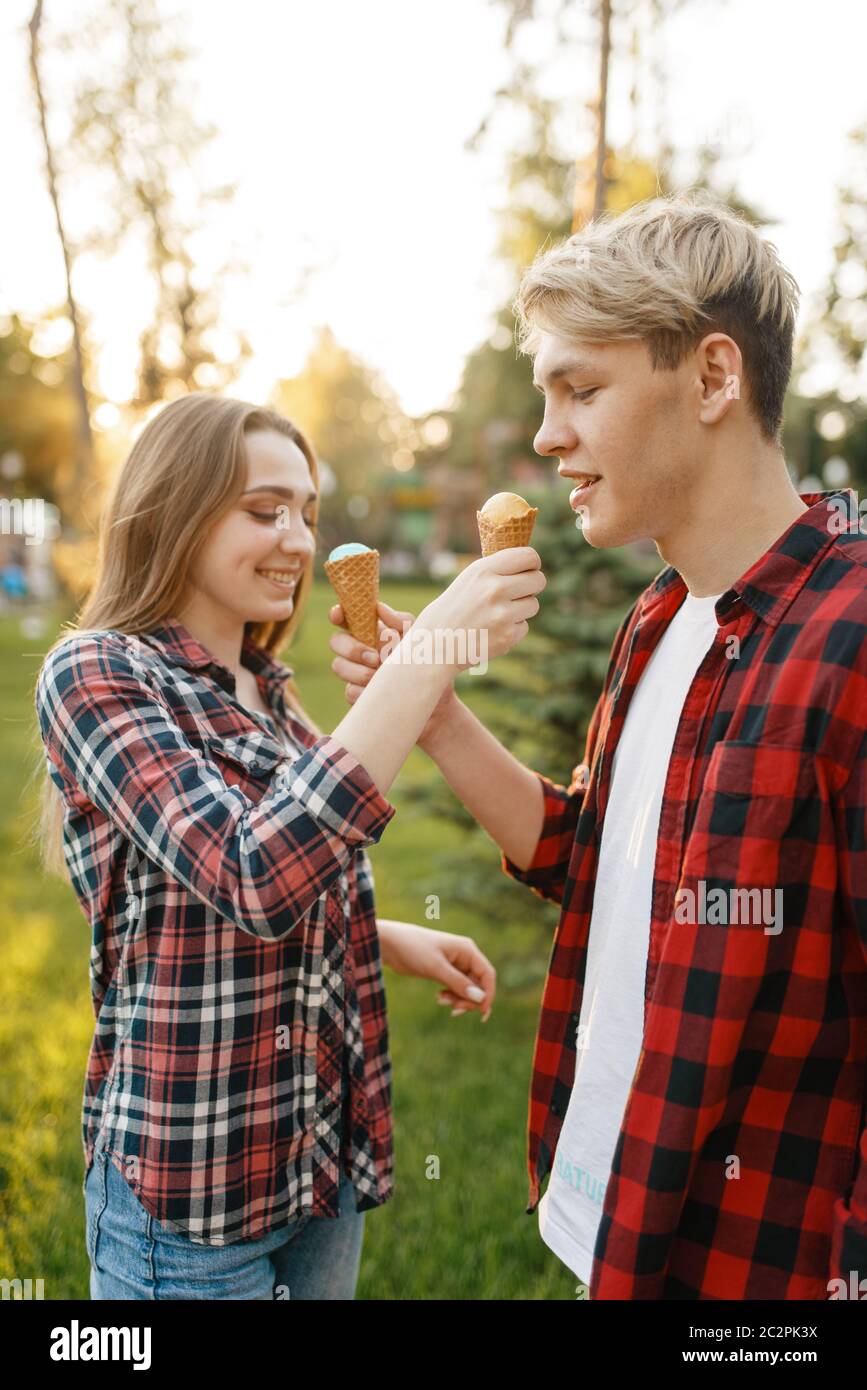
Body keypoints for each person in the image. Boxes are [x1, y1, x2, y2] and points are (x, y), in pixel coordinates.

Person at [329, 192, 867, 1301]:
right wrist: (432, 712)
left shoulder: (853, 636)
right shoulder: (662, 617)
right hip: (619, 1215)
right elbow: (588, 856)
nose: (545, 434)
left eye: (582, 388)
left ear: (715, 378)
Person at [32, 392, 546, 1300]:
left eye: (306, 514)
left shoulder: (267, 687)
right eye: (264, 511)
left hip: (314, 1168)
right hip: (189, 1198)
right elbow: (250, 871)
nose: (300, 542)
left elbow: (272, 872)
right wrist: (430, 648)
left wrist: (386, 936)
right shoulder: (98, 672)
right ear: (174, 508)